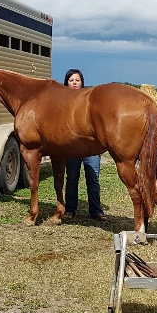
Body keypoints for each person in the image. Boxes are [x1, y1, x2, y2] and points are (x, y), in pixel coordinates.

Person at [61, 69, 106, 221]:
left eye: (77, 80)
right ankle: (70, 209)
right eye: (71, 80)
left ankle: (96, 210)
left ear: (82, 82)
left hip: (91, 147)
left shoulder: (89, 99)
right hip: (72, 147)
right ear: (66, 82)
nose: (74, 83)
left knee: (93, 178)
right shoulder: (63, 101)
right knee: (72, 178)